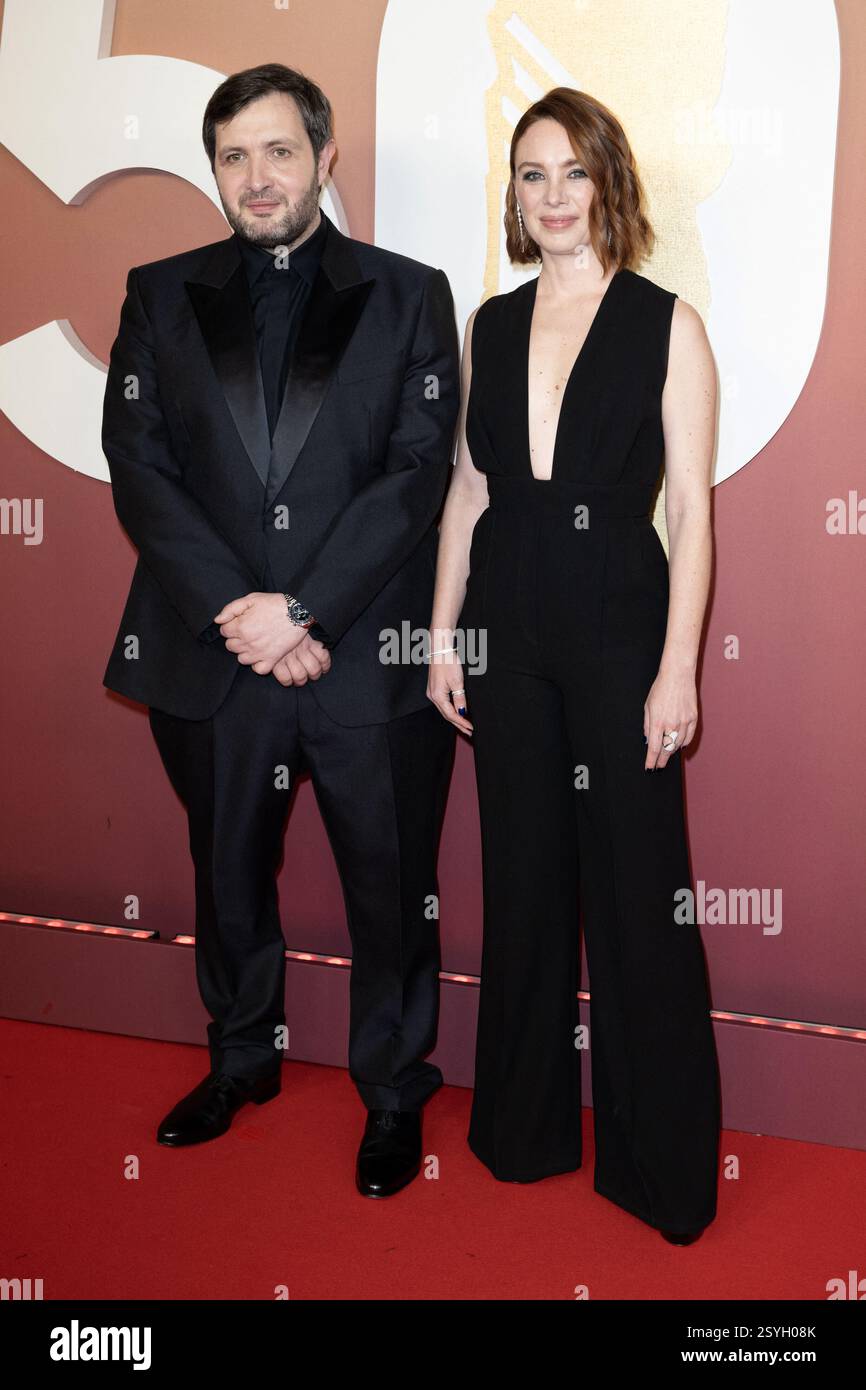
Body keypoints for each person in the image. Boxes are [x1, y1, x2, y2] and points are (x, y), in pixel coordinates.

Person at [102, 63, 459, 1198]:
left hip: (362, 653)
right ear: (214, 170)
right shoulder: (156, 294)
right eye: (232, 157)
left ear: (324, 155)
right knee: (229, 875)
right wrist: (242, 611)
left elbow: (414, 476)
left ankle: (394, 1089)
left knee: (387, 886)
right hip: (213, 652)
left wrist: (302, 609)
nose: (256, 177)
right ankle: (240, 1058)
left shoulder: (411, 294)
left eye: (277, 151)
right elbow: (141, 469)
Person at [427, 87, 721, 1242]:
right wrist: (445, 632)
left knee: (639, 894)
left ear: (609, 183)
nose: (550, 196)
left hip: (616, 623)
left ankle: (658, 1170)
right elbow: (468, 488)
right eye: (529, 173)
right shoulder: (490, 323)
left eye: (571, 173)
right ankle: (521, 1127)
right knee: (525, 879)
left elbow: (692, 512)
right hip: (506, 617)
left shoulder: (664, 322)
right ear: (513, 191)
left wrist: (677, 669)